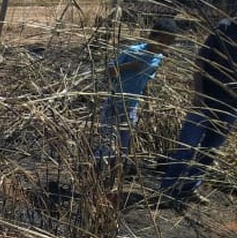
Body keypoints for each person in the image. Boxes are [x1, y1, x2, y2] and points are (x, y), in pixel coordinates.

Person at [161, 18, 237, 203]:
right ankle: (167, 191)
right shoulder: (225, 28)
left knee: (210, 151)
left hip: (231, 105)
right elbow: (200, 61)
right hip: (206, 99)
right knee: (187, 147)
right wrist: (198, 94)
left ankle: (189, 189)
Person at [97, 18, 177, 161]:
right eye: (161, 41)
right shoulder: (133, 51)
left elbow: (145, 80)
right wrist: (129, 66)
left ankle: (115, 176)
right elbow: (108, 71)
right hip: (114, 102)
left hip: (131, 107)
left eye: (167, 44)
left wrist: (148, 103)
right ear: (152, 36)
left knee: (124, 145)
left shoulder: (157, 58)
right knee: (107, 144)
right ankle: (98, 171)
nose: (163, 46)